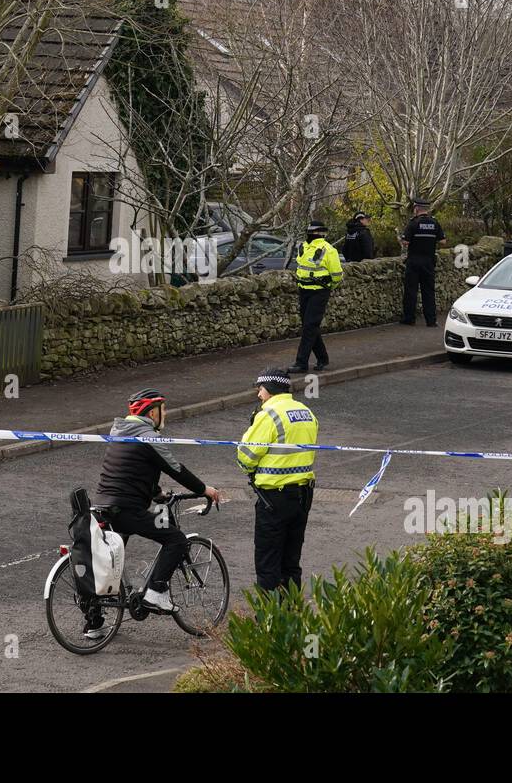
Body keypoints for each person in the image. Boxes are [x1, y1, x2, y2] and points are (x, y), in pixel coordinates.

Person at [90, 389, 222, 635]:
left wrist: (156, 494)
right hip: (127, 509)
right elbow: (176, 469)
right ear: (153, 412)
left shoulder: (119, 432)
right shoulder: (149, 436)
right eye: (164, 409)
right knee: (176, 540)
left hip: (103, 505)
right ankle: (156, 592)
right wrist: (205, 490)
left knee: (110, 564)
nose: (166, 413)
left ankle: (94, 623)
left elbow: (134, 469)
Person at [237, 368, 319, 592]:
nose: (258, 395)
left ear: (270, 390)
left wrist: (247, 465)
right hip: (303, 496)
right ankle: (292, 616)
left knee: (268, 562)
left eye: (260, 389)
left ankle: (269, 621)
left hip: (274, 499)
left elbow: (246, 455)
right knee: (291, 562)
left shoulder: (269, 414)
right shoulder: (305, 411)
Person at [290, 220, 343, 373]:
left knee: (309, 326)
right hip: (304, 290)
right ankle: (323, 358)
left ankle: (301, 363)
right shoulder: (303, 247)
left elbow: (337, 274)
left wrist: (328, 287)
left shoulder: (328, 249)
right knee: (310, 326)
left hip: (319, 291)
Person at [400, 196, 446, 327]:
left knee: (411, 290)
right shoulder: (434, 223)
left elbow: (406, 241)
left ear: (416, 208)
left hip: (414, 261)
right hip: (429, 262)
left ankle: (409, 318)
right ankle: (431, 320)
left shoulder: (413, 223)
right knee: (429, 291)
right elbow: (443, 241)